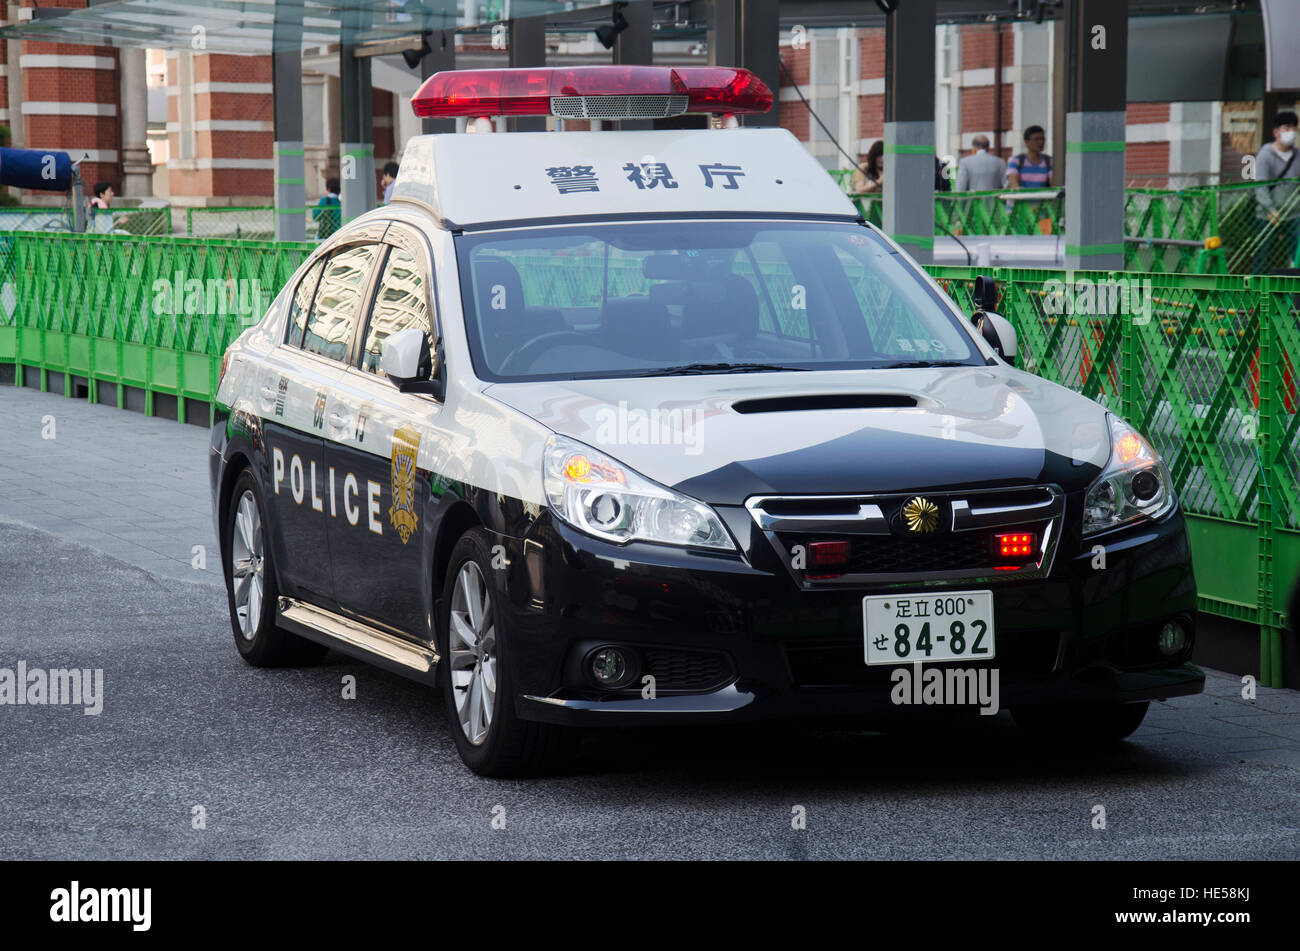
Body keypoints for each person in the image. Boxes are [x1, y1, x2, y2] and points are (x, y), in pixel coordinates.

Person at [1252, 110, 1300, 273]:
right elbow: (1261, 186)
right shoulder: (1265, 155)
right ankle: (1257, 295)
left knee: (1298, 256)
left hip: (1294, 215)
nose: (1292, 132)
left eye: (1294, 128)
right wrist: (1270, 210)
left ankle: (1295, 296)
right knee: (1262, 257)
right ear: (1276, 132)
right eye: (1287, 128)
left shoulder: (1298, 156)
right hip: (1268, 216)